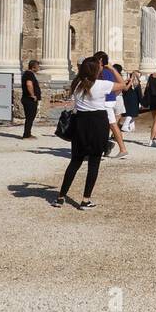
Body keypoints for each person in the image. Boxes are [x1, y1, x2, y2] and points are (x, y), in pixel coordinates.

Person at [57, 58, 123, 207]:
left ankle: (60, 197)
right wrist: (112, 69)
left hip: (81, 122)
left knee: (75, 162)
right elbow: (123, 85)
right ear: (96, 69)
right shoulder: (101, 84)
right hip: (98, 122)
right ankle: (85, 200)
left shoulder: (77, 83)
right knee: (94, 163)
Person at [94, 52, 128, 160]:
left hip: (105, 101)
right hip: (112, 99)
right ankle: (107, 146)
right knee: (109, 126)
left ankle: (120, 149)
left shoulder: (100, 72)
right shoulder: (110, 71)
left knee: (111, 125)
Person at [20, 60, 41, 139]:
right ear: (33, 67)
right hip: (29, 100)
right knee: (30, 117)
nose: (39, 68)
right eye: (38, 66)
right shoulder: (29, 74)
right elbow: (29, 84)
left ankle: (28, 133)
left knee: (30, 117)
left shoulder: (27, 74)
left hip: (27, 99)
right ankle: (26, 135)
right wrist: (33, 95)